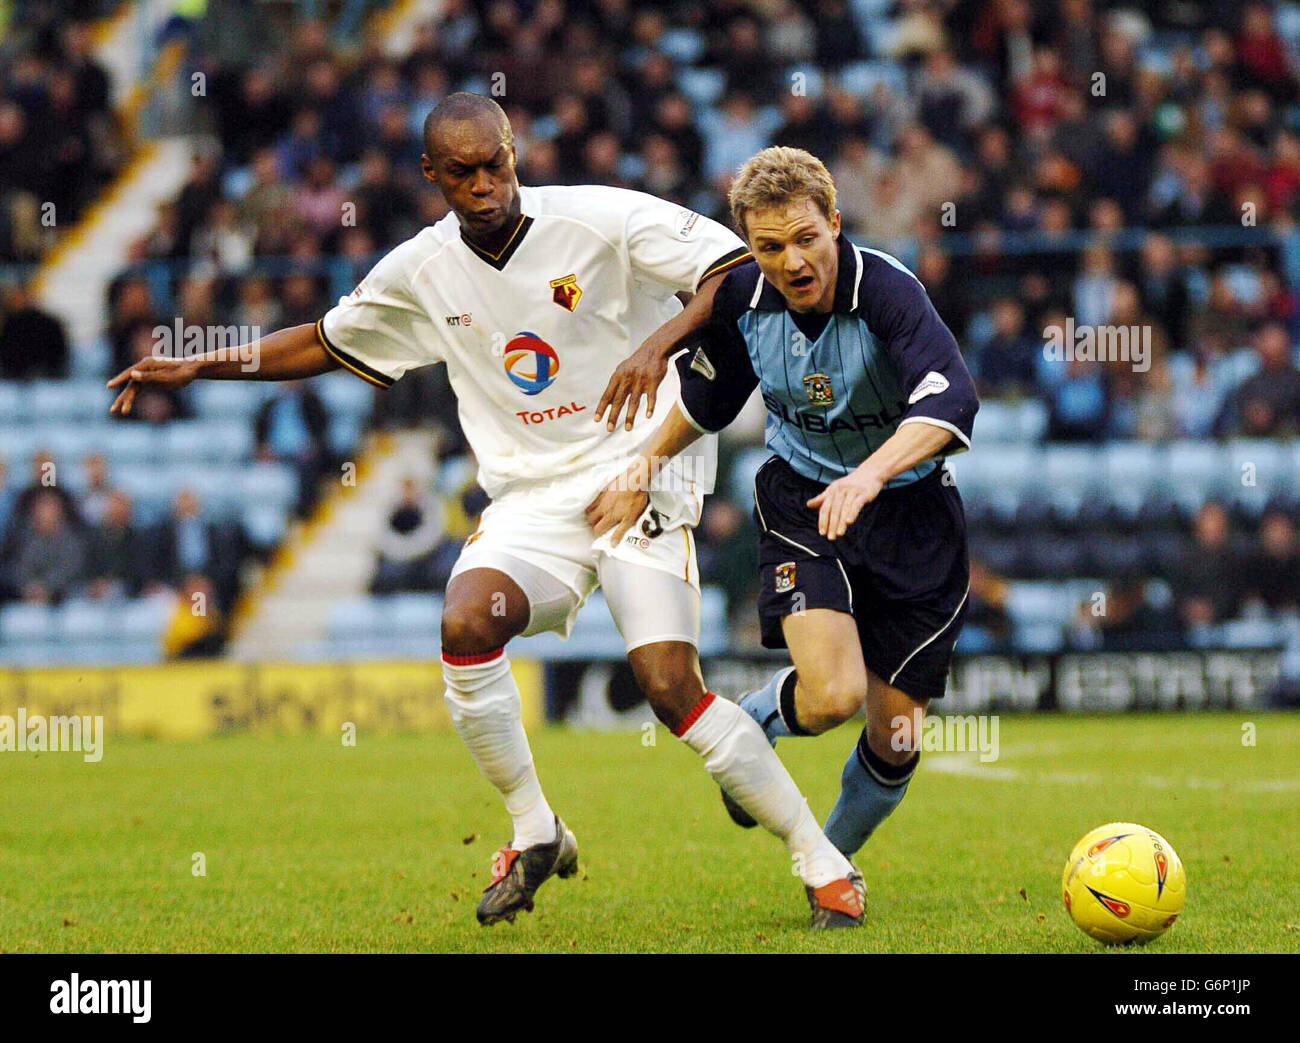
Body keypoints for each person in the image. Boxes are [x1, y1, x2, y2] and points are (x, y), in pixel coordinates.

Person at [108, 95, 863, 929]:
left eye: (495, 163)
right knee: (466, 623)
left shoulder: (598, 217)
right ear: (432, 175)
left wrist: (661, 343)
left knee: (668, 686)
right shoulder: (421, 270)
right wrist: (197, 364)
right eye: (461, 172)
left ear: (516, 151)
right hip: (531, 498)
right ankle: (536, 829)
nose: (483, 184)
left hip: (637, 472)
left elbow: (733, 271)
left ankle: (821, 857)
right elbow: (325, 340)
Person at [588, 146, 978, 878]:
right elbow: (708, 400)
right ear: (751, 247)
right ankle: (818, 851)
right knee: (833, 694)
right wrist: (641, 466)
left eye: (806, 239)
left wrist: (869, 475)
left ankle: (827, 852)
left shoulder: (889, 291)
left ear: (835, 223)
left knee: (895, 736)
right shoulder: (744, 299)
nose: (792, 261)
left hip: (913, 516)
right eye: (769, 247)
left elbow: (953, 399)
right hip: (802, 499)